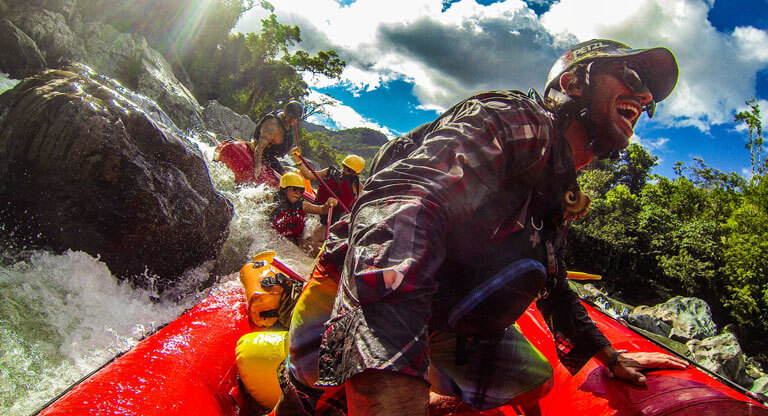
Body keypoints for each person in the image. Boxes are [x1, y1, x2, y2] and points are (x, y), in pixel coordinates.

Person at [273, 39, 689, 416]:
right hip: (358, 279)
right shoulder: (514, 120)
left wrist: (607, 353)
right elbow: (406, 202)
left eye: (651, 98)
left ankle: (433, 400)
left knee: (537, 383)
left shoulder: (559, 190)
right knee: (310, 382)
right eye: (633, 77)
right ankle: (306, 394)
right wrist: (388, 368)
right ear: (573, 83)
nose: (647, 97)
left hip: (445, 313)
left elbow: (553, 281)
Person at [290, 148, 364, 247]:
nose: (344, 171)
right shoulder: (329, 172)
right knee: (306, 240)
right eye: (344, 167)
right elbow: (308, 175)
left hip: (335, 217)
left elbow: (368, 199)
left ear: (356, 173)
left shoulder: (358, 186)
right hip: (320, 209)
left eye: (349, 170)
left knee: (312, 242)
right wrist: (298, 160)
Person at [270, 171, 336, 253]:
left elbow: (323, 210)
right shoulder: (272, 201)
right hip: (275, 239)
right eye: (294, 189)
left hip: (296, 240)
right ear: (284, 189)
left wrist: (328, 204)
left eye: (301, 191)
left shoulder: (302, 205)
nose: (298, 193)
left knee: (319, 249)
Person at [252, 100, 303, 177]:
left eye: (295, 118)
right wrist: (257, 166)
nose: (293, 120)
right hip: (263, 155)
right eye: (291, 117)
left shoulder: (288, 123)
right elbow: (259, 148)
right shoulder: (272, 126)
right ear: (285, 111)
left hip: (272, 158)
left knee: (286, 177)